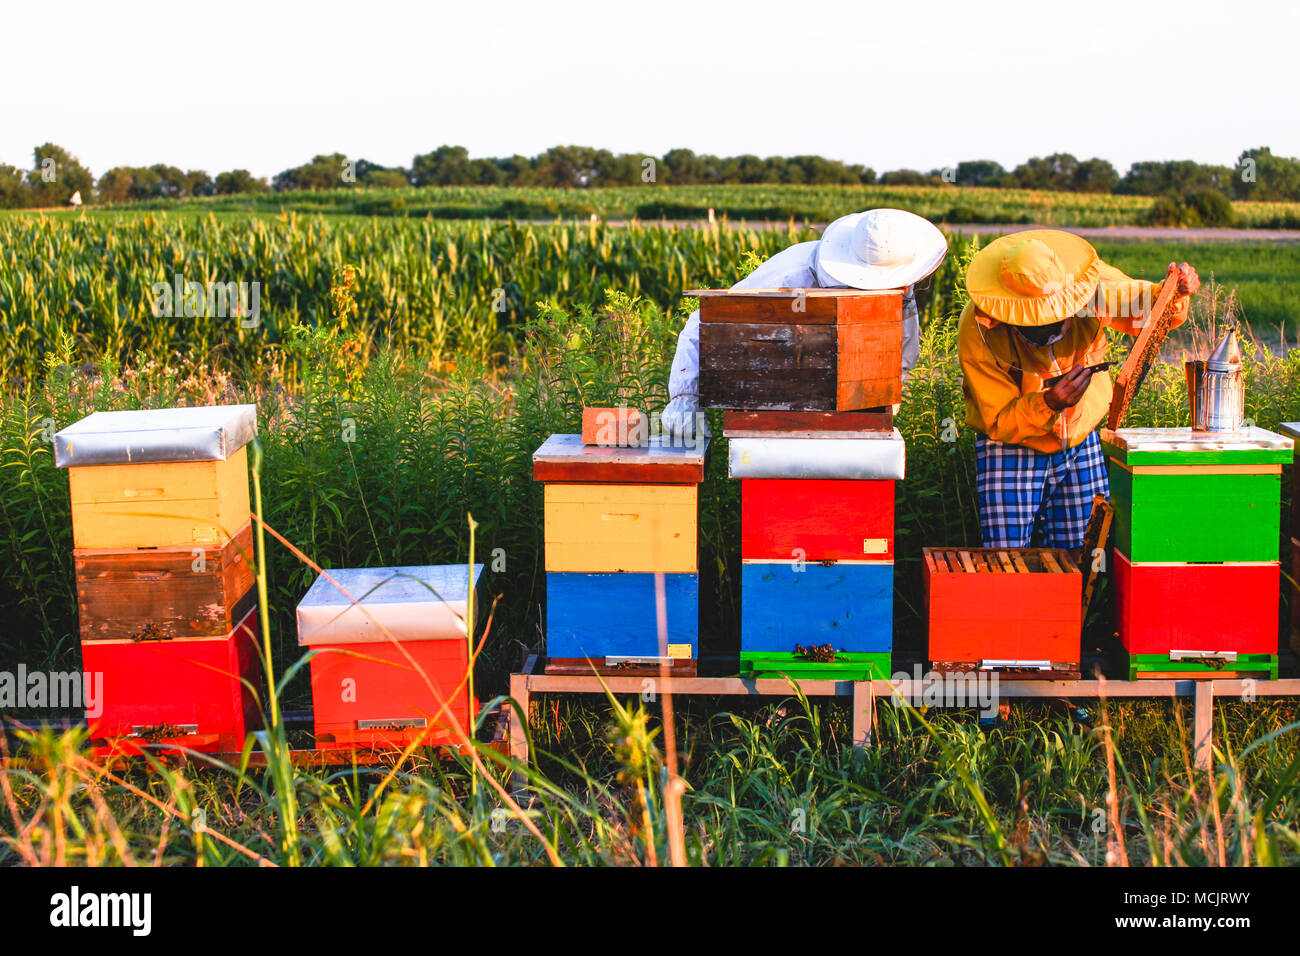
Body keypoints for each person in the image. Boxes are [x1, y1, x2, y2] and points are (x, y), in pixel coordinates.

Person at [958, 229, 1201, 550]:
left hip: (1080, 438)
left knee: (1082, 553)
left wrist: (1175, 291)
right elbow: (999, 419)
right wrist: (1048, 403)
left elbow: (1145, 306)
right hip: (1010, 447)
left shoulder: (1088, 285)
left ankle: (1076, 601)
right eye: (1039, 321)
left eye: (1057, 315)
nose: (1052, 325)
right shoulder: (978, 328)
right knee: (1007, 557)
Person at [661, 208, 949, 438]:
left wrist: (886, 390)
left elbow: (903, 338)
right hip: (776, 401)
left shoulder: (897, 276)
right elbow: (708, 320)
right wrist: (685, 396)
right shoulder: (789, 276)